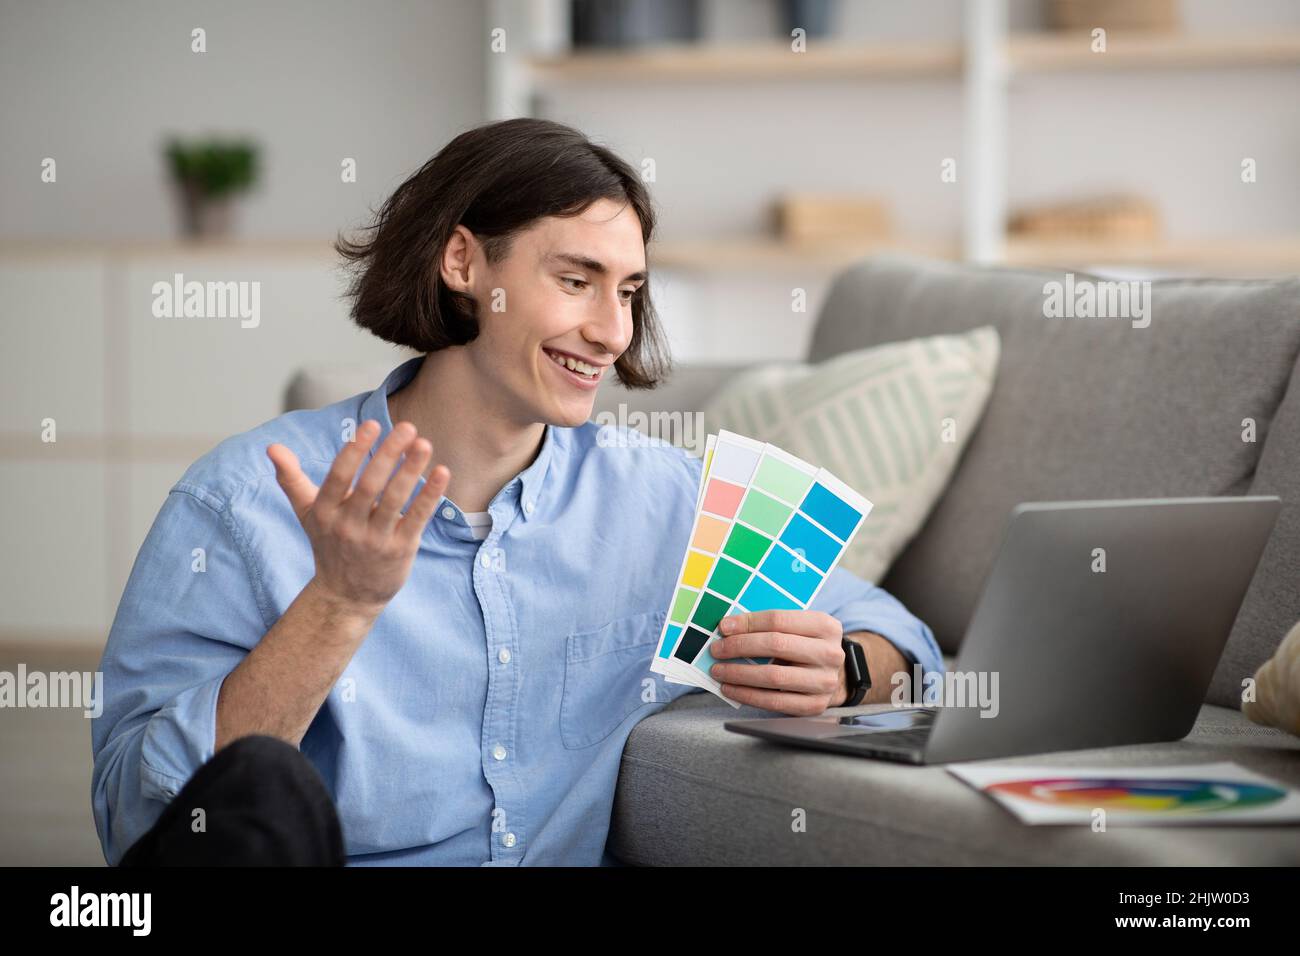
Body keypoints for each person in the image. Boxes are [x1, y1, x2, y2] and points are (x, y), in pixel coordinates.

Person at [91, 118, 943, 866]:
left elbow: (909, 644)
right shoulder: (242, 502)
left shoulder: (666, 504)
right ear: (464, 261)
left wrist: (852, 669)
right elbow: (141, 818)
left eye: (630, 291)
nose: (612, 331)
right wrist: (340, 605)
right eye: (576, 281)